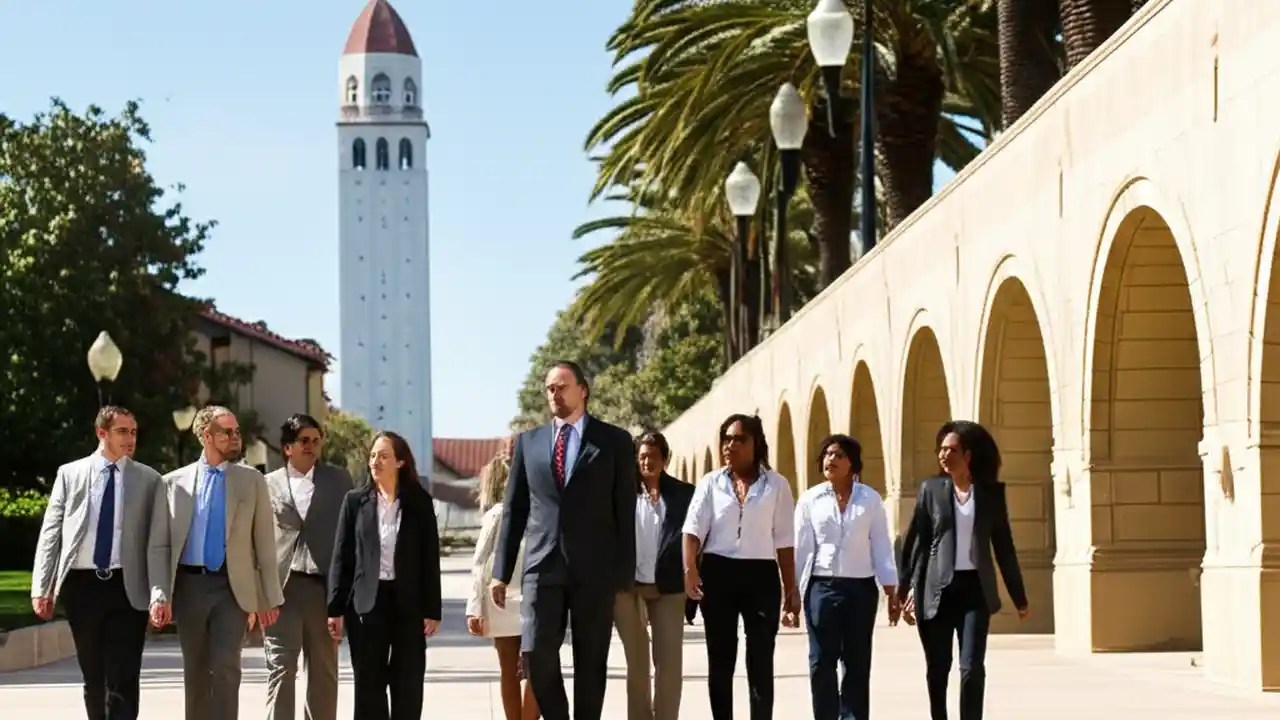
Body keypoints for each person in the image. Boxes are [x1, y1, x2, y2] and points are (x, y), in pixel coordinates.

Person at [491, 360, 637, 720]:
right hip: (542, 566)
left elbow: (625, 511)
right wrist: (501, 571)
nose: (555, 394)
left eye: (562, 386)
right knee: (535, 651)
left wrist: (624, 572)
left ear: (583, 390)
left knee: (591, 661)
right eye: (550, 388)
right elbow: (515, 510)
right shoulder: (530, 443)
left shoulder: (614, 441)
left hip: (595, 570)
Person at [147, 405, 284, 720]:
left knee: (225, 666)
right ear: (207, 436)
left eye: (237, 431)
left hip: (231, 588)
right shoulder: (172, 484)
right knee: (195, 670)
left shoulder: (252, 481)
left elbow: (264, 542)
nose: (236, 437)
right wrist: (160, 592)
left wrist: (268, 596)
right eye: (228, 432)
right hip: (189, 586)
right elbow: (159, 545)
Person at [29, 405, 161, 720]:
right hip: (81, 584)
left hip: (128, 585)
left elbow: (158, 544)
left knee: (125, 675)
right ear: (102, 433)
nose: (130, 438)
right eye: (122, 431)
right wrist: (42, 587)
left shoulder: (149, 480)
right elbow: (52, 532)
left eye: (133, 431)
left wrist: (160, 592)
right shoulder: (70, 474)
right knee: (94, 676)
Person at [898, 420, 1029, 720]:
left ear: (968, 455)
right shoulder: (930, 490)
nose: (944, 455)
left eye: (951, 449)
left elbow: (1004, 548)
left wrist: (1019, 596)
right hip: (937, 592)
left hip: (975, 592)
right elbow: (916, 541)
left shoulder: (990, 495)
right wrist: (906, 588)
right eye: (941, 449)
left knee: (971, 667)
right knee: (938, 669)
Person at [682, 413, 798, 720]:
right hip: (718, 574)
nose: (729, 445)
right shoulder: (710, 483)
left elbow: (784, 540)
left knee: (760, 660)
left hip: (761, 575)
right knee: (721, 659)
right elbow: (692, 531)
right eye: (726, 439)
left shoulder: (777, 486)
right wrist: (690, 570)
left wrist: (791, 589)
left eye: (738, 439)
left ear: (755, 443)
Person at [327, 431, 442, 720]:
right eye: (373, 455)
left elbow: (429, 558)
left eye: (383, 455)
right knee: (368, 685)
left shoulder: (420, 502)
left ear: (400, 462)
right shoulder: (355, 501)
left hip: (408, 604)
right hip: (366, 603)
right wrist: (335, 608)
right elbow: (343, 557)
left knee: (408, 683)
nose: (375, 461)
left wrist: (432, 609)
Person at [794, 434, 900, 720]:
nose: (831, 459)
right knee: (820, 662)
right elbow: (802, 550)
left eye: (839, 455)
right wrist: (792, 594)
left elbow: (881, 545)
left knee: (856, 662)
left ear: (853, 463)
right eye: (827, 454)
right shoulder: (809, 500)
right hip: (821, 588)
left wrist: (891, 590)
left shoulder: (870, 500)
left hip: (860, 590)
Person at [261, 413, 354, 720]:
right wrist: (260, 596)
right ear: (288, 447)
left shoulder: (339, 480)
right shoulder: (265, 484)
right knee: (280, 668)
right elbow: (256, 541)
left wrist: (344, 598)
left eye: (317, 440)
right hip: (280, 591)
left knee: (324, 671)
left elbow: (350, 538)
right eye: (304, 441)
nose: (312, 446)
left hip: (323, 589)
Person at [614, 430, 694, 720]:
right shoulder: (620, 493)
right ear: (635, 460)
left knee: (670, 664)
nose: (648, 462)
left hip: (669, 587)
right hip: (628, 587)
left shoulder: (685, 494)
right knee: (636, 665)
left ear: (665, 459)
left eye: (654, 457)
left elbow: (694, 538)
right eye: (643, 457)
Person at [466, 447, 540, 720]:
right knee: (509, 669)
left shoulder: (547, 511)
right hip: (502, 599)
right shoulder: (498, 514)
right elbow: (480, 560)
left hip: (538, 597)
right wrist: (475, 606)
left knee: (538, 670)